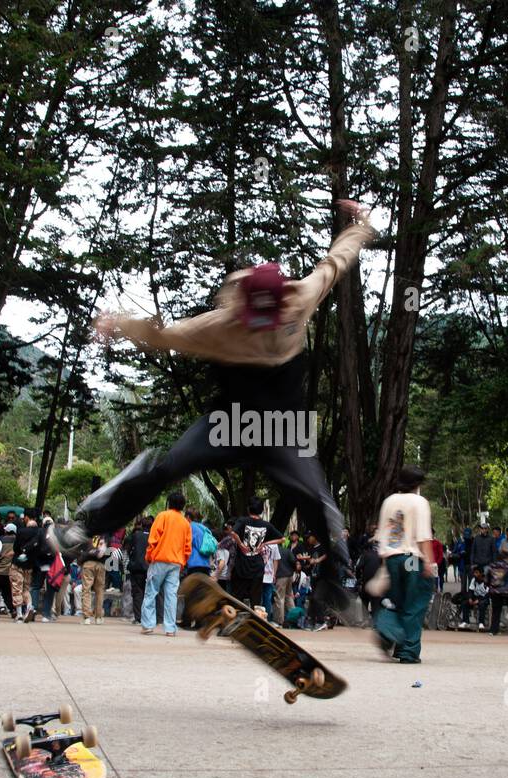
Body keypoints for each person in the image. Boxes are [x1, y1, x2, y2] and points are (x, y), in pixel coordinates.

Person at [62, 200, 378, 622]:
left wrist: (360, 224)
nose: (264, 325)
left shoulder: (300, 295)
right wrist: (119, 324)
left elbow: (337, 261)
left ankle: (335, 583)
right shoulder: (217, 325)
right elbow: (163, 334)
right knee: (167, 467)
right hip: (226, 423)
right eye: (256, 320)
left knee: (314, 496)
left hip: (280, 427)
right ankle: (88, 526)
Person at [371, 466, 435, 664]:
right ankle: (408, 651)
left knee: (396, 599)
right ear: (417, 484)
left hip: (391, 559)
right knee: (414, 603)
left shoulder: (389, 501)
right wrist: (429, 563)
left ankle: (388, 633)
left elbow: (382, 534)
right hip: (410, 559)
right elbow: (424, 536)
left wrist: (384, 563)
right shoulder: (419, 502)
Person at [142, 491, 191, 636]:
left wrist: (149, 556)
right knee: (171, 596)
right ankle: (170, 628)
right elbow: (187, 547)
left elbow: (153, 540)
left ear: (169, 503)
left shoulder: (162, 516)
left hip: (159, 560)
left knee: (151, 592)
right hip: (176, 563)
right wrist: (182, 562)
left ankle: (148, 625)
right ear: (182, 506)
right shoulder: (185, 523)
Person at [228, 498, 283, 607]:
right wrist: (264, 543)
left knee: (237, 598)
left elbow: (233, 532)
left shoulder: (242, 520)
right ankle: (254, 621)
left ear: (248, 509)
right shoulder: (266, 525)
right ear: (261, 510)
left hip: (241, 566)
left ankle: (236, 620)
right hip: (257, 567)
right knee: (256, 600)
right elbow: (282, 539)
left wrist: (241, 545)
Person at [485, 558, 508, 635]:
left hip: (495, 591)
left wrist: (490, 586)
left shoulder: (491, 566)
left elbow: (487, 580)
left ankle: (493, 630)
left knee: (496, 612)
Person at [125, 517, 151, 624]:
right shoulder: (153, 537)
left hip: (135, 568)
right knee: (148, 592)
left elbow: (128, 549)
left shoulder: (135, 536)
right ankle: (147, 617)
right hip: (148, 567)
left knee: (137, 592)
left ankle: (138, 617)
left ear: (141, 525)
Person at [272, 530, 299, 624]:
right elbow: (293, 561)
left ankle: (279, 620)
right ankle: (295, 619)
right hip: (289, 575)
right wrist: (292, 571)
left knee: (279, 597)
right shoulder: (286, 551)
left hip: (280, 576)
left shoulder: (273, 550)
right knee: (289, 597)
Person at [0, 523, 17, 618]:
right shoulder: (17, 541)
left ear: (6, 531)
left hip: (0, 570)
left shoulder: (2, 540)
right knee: (8, 592)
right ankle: (13, 609)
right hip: (12, 570)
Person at [454, 564, 488, 631]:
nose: (475, 574)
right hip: (475, 597)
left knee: (482, 604)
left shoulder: (486, 582)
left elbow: (487, 595)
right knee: (464, 603)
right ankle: (465, 622)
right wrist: (470, 598)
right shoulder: (473, 580)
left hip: (484, 598)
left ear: (481, 573)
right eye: (474, 572)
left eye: (477, 573)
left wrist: (478, 600)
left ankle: (481, 623)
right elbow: (470, 591)